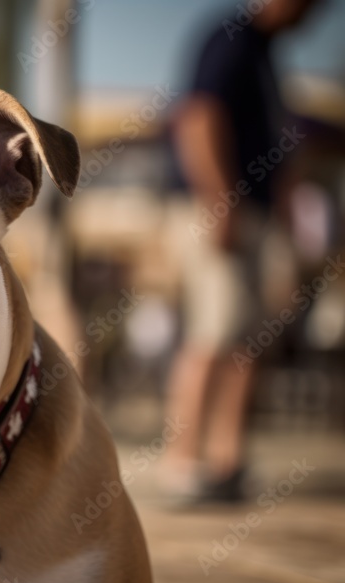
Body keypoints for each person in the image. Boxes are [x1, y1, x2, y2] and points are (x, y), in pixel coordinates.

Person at [162, 0, 322, 502]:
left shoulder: (267, 54)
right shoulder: (229, 36)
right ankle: (182, 463)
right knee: (213, 331)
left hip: (255, 212)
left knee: (248, 340)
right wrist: (219, 199)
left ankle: (225, 462)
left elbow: (281, 142)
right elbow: (197, 117)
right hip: (223, 207)